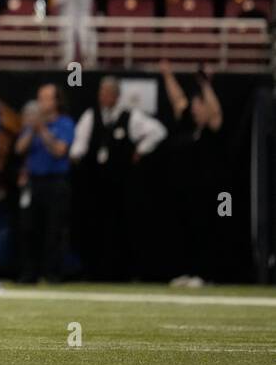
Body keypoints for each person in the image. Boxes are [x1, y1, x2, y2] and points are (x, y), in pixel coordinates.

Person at [70, 76, 167, 280]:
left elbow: (158, 132)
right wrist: (77, 155)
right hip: (96, 185)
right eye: (101, 93)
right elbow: (79, 142)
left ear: (116, 96)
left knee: (121, 229)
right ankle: (94, 272)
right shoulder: (91, 115)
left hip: (120, 186)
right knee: (94, 227)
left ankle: (122, 272)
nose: (103, 97)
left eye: (108, 93)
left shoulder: (129, 116)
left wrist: (141, 149)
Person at [157, 61, 225, 286]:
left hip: (205, 191)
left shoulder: (211, 129)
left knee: (204, 231)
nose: (195, 107)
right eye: (194, 104)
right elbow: (177, 100)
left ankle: (204, 274)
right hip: (182, 189)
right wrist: (168, 75)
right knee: (181, 230)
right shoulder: (186, 125)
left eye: (199, 104)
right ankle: (184, 271)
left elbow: (214, 113)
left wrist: (205, 85)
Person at [13, 84, 74, 284]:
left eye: (46, 99)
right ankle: (30, 272)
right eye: (39, 98)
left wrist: (43, 131)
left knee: (54, 230)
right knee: (29, 228)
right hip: (34, 182)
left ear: (56, 101)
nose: (41, 103)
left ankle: (52, 273)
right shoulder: (32, 124)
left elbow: (60, 151)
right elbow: (19, 149)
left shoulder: (65, 123)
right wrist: (32, 130)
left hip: (55, 182)